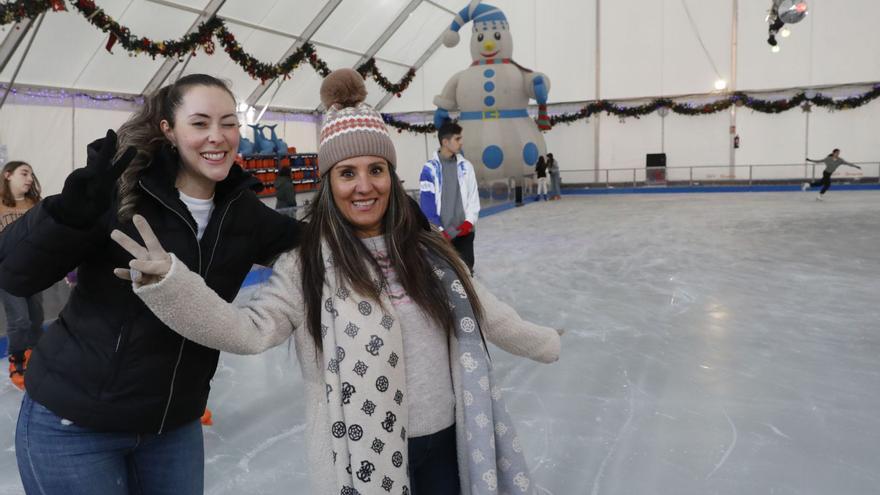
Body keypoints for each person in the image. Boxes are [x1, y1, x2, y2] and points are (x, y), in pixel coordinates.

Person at [114, 69, 561, 495]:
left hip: (446, 442)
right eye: (347, 173)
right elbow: (250, 331)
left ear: (391, 176)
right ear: (329, 183)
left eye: (376, 169)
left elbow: (486, 311)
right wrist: (174, 285)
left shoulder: (429, 254)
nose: (364, 186)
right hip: (363, 452)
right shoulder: (308, 262)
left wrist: (545, 341)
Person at [0, 74, 303, 495]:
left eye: (228, 123)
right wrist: (65, 215)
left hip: (173, 425)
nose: (217, 136)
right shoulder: (122, 193)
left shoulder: (243, 212)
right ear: (169, 129)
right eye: (199, 123)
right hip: (76, 424)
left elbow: (317, 245)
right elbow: (15, 273)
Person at [0, 161, 44, 390]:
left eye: (31, 174)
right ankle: (17, 359)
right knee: (20, 320)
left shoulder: (35, 204)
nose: (29, 179)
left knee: (36, 319)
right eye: (24, 173)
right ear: (8, 175)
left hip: (33, 271)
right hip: (8, 272)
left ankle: (33, 358)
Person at [418, 121, 480, 272]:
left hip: (464, 233)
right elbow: (427, 206)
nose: (461, 142)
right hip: (442, 237)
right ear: (445, 142)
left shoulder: (466, 167)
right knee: (446, 276)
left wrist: (468, 222)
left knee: (467, 273)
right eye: (457, 139)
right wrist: (439, 231)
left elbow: (473, 198)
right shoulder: (429, 170)